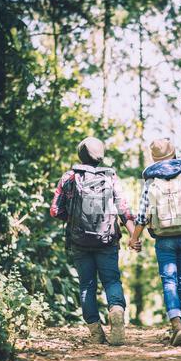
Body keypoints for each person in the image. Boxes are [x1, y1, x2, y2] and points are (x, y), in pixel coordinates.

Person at [50, 137, 139, 346]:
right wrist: (134, 237)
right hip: (107, 240)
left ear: (80, 154)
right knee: (111, 281)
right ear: (101, 157)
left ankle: (96, 333)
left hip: (79, 241)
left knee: (86, 285)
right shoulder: (111, 177)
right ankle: (116, 310)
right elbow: (123, 209)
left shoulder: (69, 177)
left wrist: (73, 218)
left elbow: (55, 210)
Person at [129, 138, 181, 346]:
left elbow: (143, 215)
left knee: (169, 281)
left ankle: (176, 325)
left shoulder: (150, 180)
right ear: (173, 154)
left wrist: (134, 238)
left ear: (154, 158)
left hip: (164, 238)